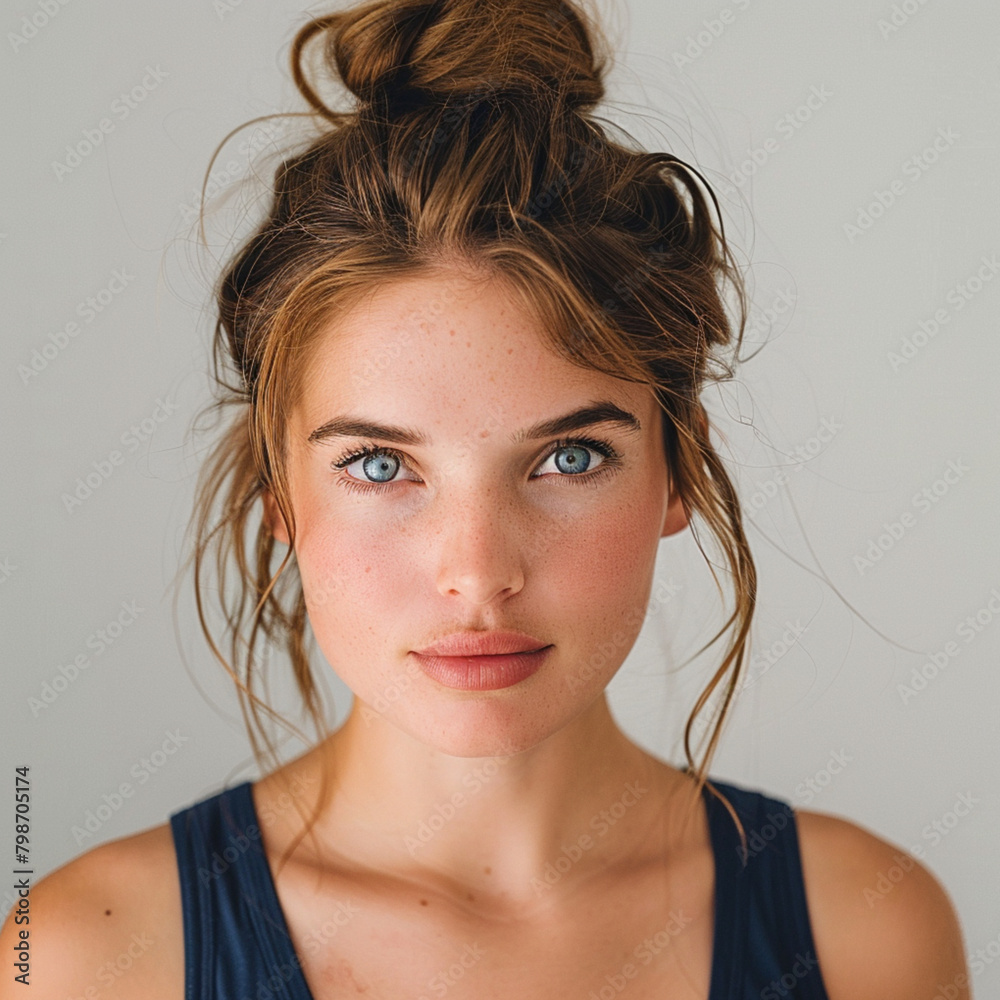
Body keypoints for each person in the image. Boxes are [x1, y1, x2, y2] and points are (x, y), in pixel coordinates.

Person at [1, 1, 971, 997]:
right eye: (380, 465)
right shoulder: (88, 958)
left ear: (677, 471)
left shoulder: (866, 932)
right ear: (275, 497)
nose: (477, 571)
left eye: (569, 459)